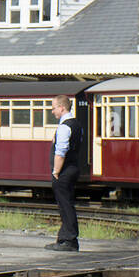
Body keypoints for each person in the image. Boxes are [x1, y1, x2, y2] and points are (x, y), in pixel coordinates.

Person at [46, 93, 84, 252]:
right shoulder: (76, 125)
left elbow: (60, 151)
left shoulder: (64, 127)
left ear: (61, 108)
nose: (52, 111)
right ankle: (63, 238)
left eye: (54, 108)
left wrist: (56, 171)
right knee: (65, 204)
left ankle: (69, 240)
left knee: (65, 204)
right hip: (73, 167)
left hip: (64, 171)